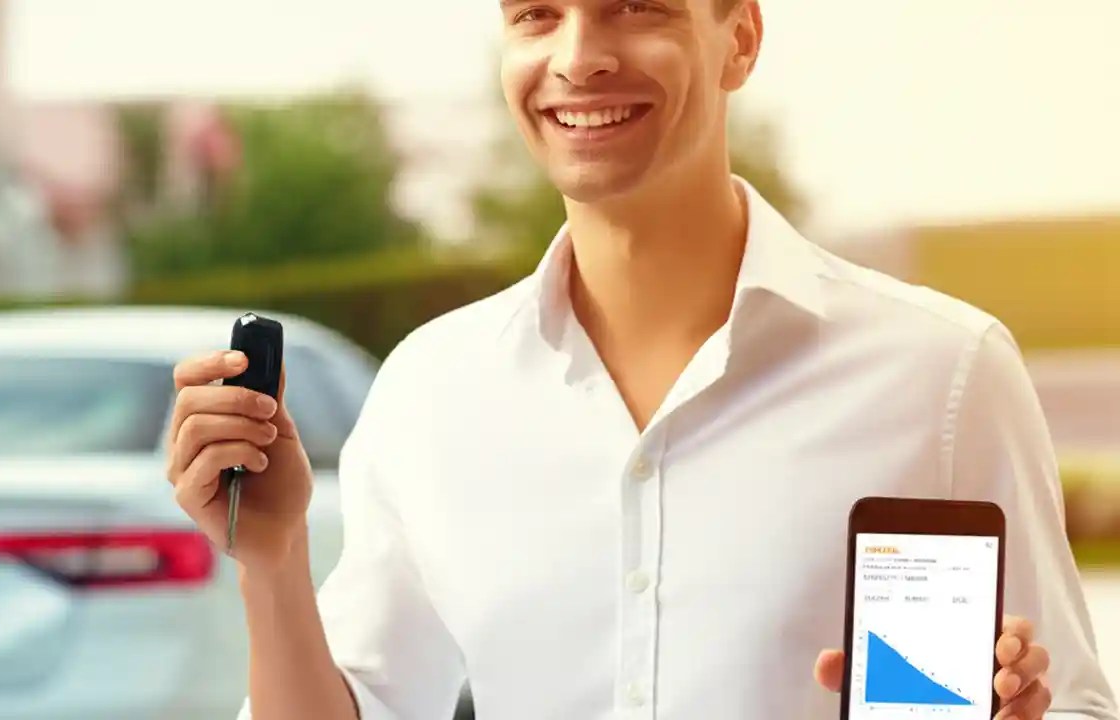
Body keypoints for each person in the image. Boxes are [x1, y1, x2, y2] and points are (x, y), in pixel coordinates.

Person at [165, 1, 1119, 718]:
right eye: (537, 15)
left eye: (635, 7)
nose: (578, 57)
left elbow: (1072, 702)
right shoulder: (430, 390)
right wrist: (272, 562)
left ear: (739, 38)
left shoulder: (942, 375)